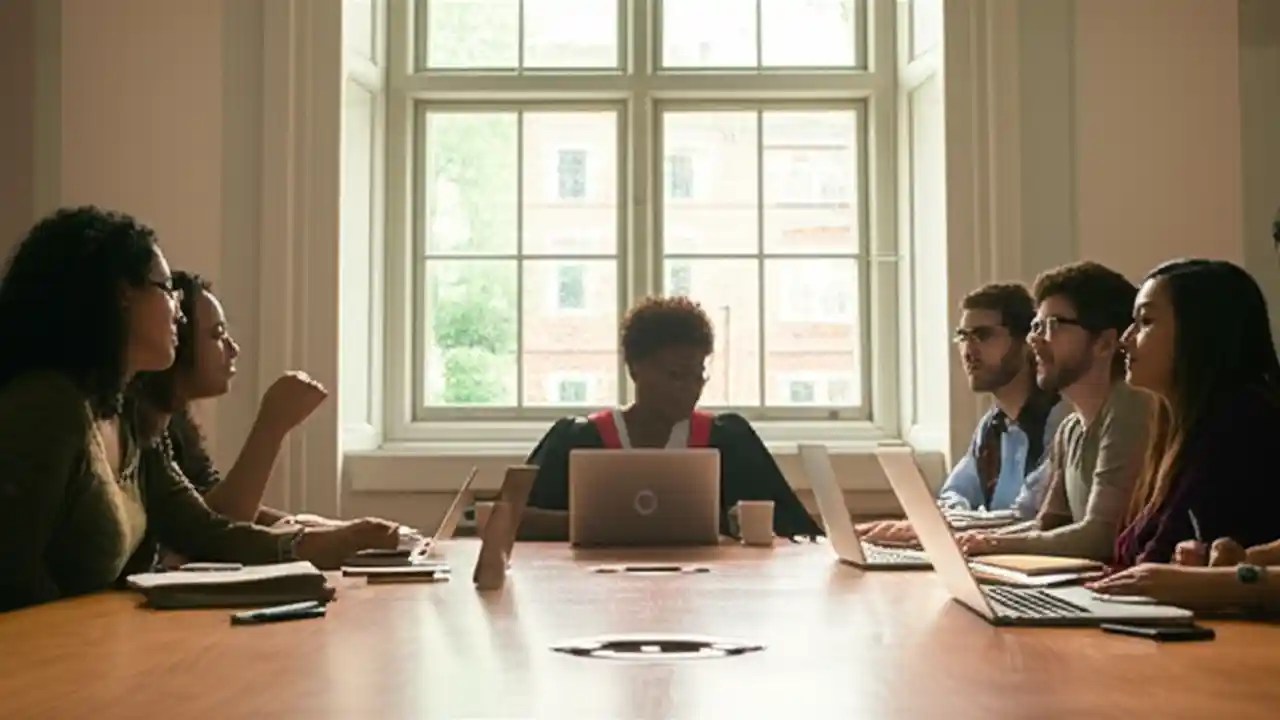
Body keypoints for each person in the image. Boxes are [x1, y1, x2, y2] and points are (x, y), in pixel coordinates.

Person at [0, 207, 396, 612]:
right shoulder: (46, 406)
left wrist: (327, 546)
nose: (179, 308)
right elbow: (11, 580)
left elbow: (203, 530)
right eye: (167, 287)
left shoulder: (126, 412)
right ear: (122, 295)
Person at [520, 295, 823, 540]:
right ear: (635, 369)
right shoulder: (579, 439)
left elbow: (794, 527)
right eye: (675, 375)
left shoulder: (728, 440)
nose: (690, 389)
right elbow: (511, 519)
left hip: (710, 592)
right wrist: (604, 525)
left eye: (698, 376)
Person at [957, 261, 1151, 562]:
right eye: (1036, 326)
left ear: (1105, 343)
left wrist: (991, 546)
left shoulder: (1130, 406)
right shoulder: (1070, 429)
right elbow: (1046, 525)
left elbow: (1100, 538)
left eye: (1053, 326)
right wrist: (970, 542)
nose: (1034, 340)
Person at [860, 283, 1068, 545]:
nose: (969, 351)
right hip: (986, 556)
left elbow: (1028, 516)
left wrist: (944, 527)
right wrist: (944, 522)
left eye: (983, 336)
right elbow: (955, 494)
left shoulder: (1059, 422)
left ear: (1026, 341)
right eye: (963, 336)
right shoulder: (991, 426)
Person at [133, 271, 344, 526]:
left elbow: (218, 501)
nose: (233, 349)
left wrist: (326, 530)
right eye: (217, 334)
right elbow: (217, 526)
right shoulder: (141, 424)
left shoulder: (176, 422)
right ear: (178, 338)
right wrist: (271, 426)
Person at [1110, 259, 1280, 567]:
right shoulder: (1178, 424)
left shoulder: (1243, 422)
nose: (1126, 338)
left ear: (1199, 330)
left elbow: (1163, 562)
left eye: (1146, 321)